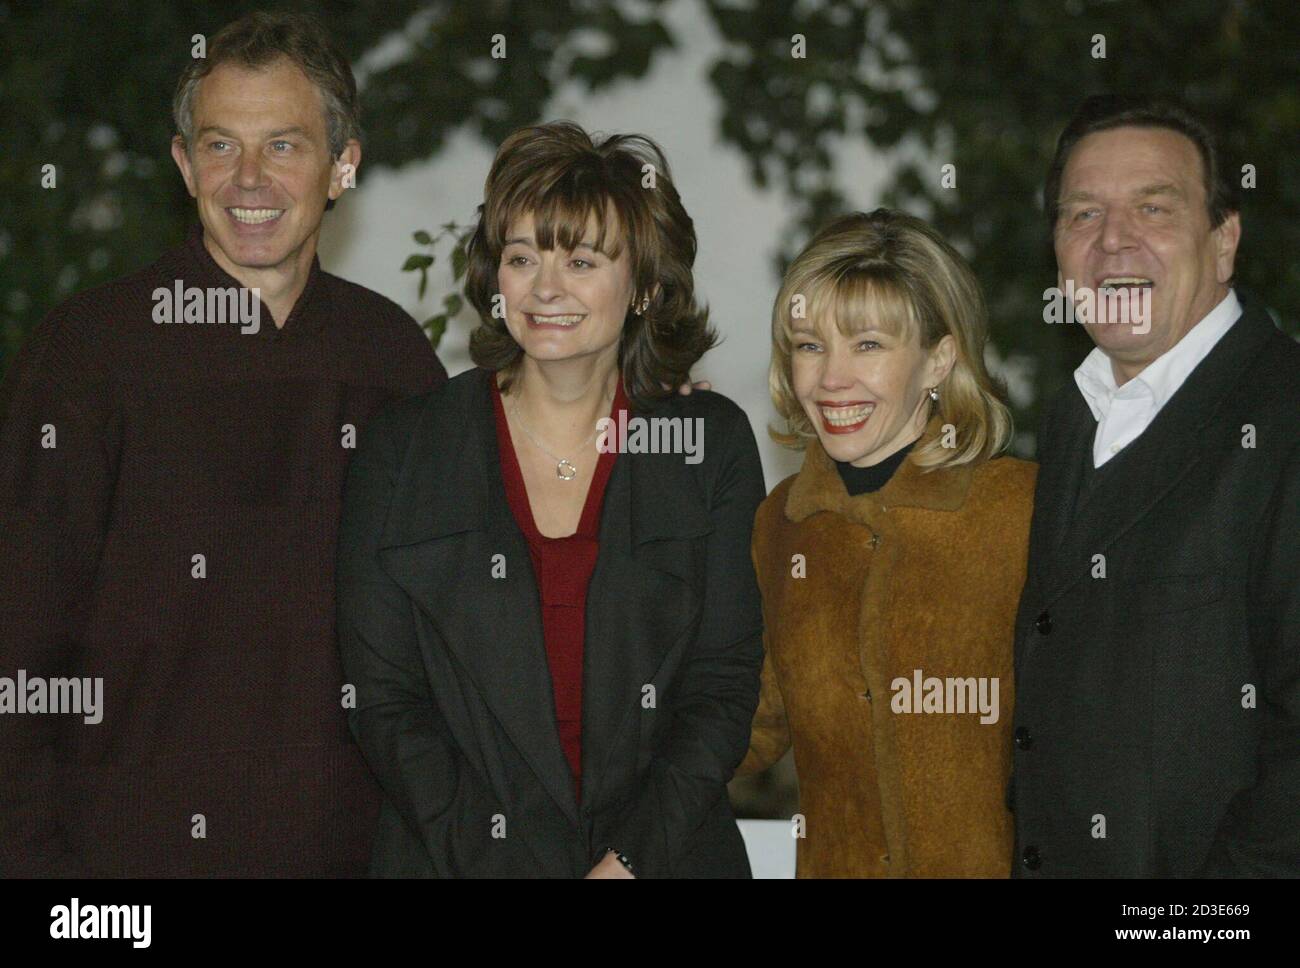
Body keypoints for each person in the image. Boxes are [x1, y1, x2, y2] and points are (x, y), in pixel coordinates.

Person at [0, 11, 445, 875]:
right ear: (182, 163)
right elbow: (18, 648)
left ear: (343, 165)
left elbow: (446, 649)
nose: (248, 178)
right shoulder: (88, 354)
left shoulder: (394, 361)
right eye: (219, 145)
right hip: (120, 872)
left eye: (283, 145)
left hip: (349, 855)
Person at [336, 120, 765, 877]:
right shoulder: (404, 449)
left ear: (647, 286)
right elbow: (382, 700)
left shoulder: (707, 445)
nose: (545, 288)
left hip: (659, 862)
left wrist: (626, 862)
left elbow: (722, 688)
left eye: (581, 259)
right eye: (522, 257)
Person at [1012, 95, 1300, 876]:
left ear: (1225, 239)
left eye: (1153, 207)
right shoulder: (1076, 416)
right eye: (1082, 215)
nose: (1113, 242)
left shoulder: (1283, 419)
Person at [737, 209, 1036, 876]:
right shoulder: (780, 525)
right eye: (810, 345)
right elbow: (745, 724)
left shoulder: (1022, 511)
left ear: (939, 358)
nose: (832, 379)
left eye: (868, 344)